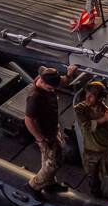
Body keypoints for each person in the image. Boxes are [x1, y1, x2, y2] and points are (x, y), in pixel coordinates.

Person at [25, 64, 77, 194]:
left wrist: (69, 74)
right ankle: (33, 186)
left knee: (50, 158)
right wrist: (41, 139)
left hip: (53, 127)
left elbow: (62, 81)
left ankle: (49, 184)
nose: (51, 90)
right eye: (49, 88)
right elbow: (28, 120)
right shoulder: (35, 97)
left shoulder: (48, 79)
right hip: (45, 134)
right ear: (41, 82)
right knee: (53, 162)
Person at [73, 80, 108, 199]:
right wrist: (103, 120)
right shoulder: (81, 108)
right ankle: (96, 197)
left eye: (91, 96)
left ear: (100, 98)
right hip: (90, 152)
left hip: (106, 152)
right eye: (87, 94)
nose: (87, 98)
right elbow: (86, 126)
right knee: (92, 178)